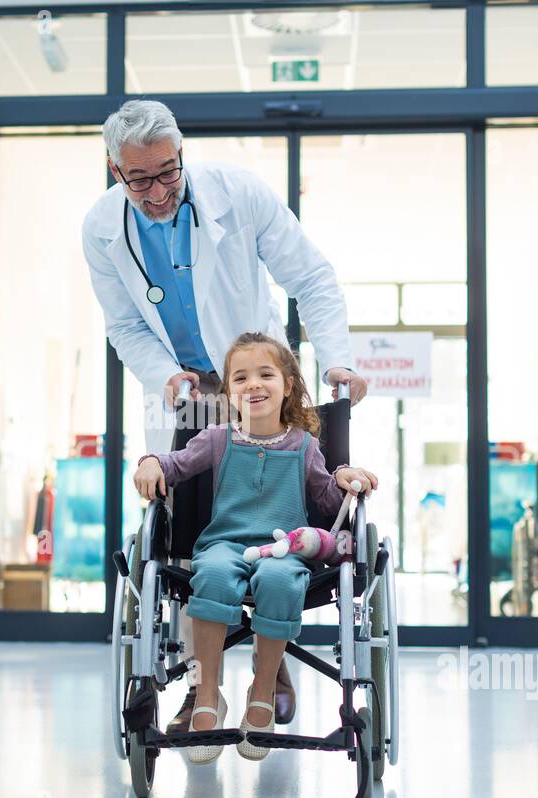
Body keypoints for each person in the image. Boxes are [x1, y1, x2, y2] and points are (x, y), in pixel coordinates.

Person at [82, 99, 370, 733]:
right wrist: (166, 377)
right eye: (139, 179)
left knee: (275, 507)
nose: (157, 191)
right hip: (184, 387)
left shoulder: (238, 194)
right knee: (191, 529)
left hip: (254, 371)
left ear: (182, 153)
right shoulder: (101, 228)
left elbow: (312, 277)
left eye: (168, 172)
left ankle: (277, 668)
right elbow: (125, 324)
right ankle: (196, 687)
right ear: (114, 169)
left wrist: (338, 363)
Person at [133, 332, 379, 764]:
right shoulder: (216, 438)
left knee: (282, 581)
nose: (253, 384)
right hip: (222, 545)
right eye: (241, 377)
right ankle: (209, 691)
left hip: (284, 550)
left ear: (287, 386)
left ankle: (262, 691)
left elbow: (325, 502)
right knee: (209, 576)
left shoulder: (305, 447)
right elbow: (173, 466)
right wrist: (150, 461)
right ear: (228, 391)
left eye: (266, 374)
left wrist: (344, 475)